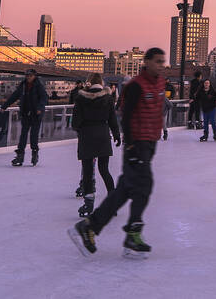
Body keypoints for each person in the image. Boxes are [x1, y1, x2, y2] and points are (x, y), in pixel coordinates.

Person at [71, 47, 167, 259]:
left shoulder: (160, 83)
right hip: (137, 146)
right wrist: (130, 144)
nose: (161, 65)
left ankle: (90, 227)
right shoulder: (135, 86)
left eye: (163, 61)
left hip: (150, 145)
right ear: (147, 62)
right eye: (158, 61)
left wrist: (159, 133)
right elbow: (125, 116)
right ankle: (132, 234)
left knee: (124, 190)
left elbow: (159, 109)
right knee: (143, 188)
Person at [73, 73, 121, 217]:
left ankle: (88, 203)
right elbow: (112, 120)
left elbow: (75, 122)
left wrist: (80, 129)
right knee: (104, 170)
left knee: (87, 171)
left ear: (89, 83)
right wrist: (117, 135)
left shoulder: (81, 98)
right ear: (101, 83)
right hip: (102, 135)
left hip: (87, 136)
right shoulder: (108, 98)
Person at [1, 69, 49, 166]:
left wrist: (40, 108)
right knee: (23, 135)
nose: (28, 77)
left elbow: (44, 98)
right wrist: (4, 106)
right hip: (25, 113)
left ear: (34, 76)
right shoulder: (23, 86)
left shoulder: (39, 86)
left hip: (36, 114)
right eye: (27, 75)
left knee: (33, 135)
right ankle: (20, 156)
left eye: (30, 76)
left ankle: (34, 153)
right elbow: (14, 96)